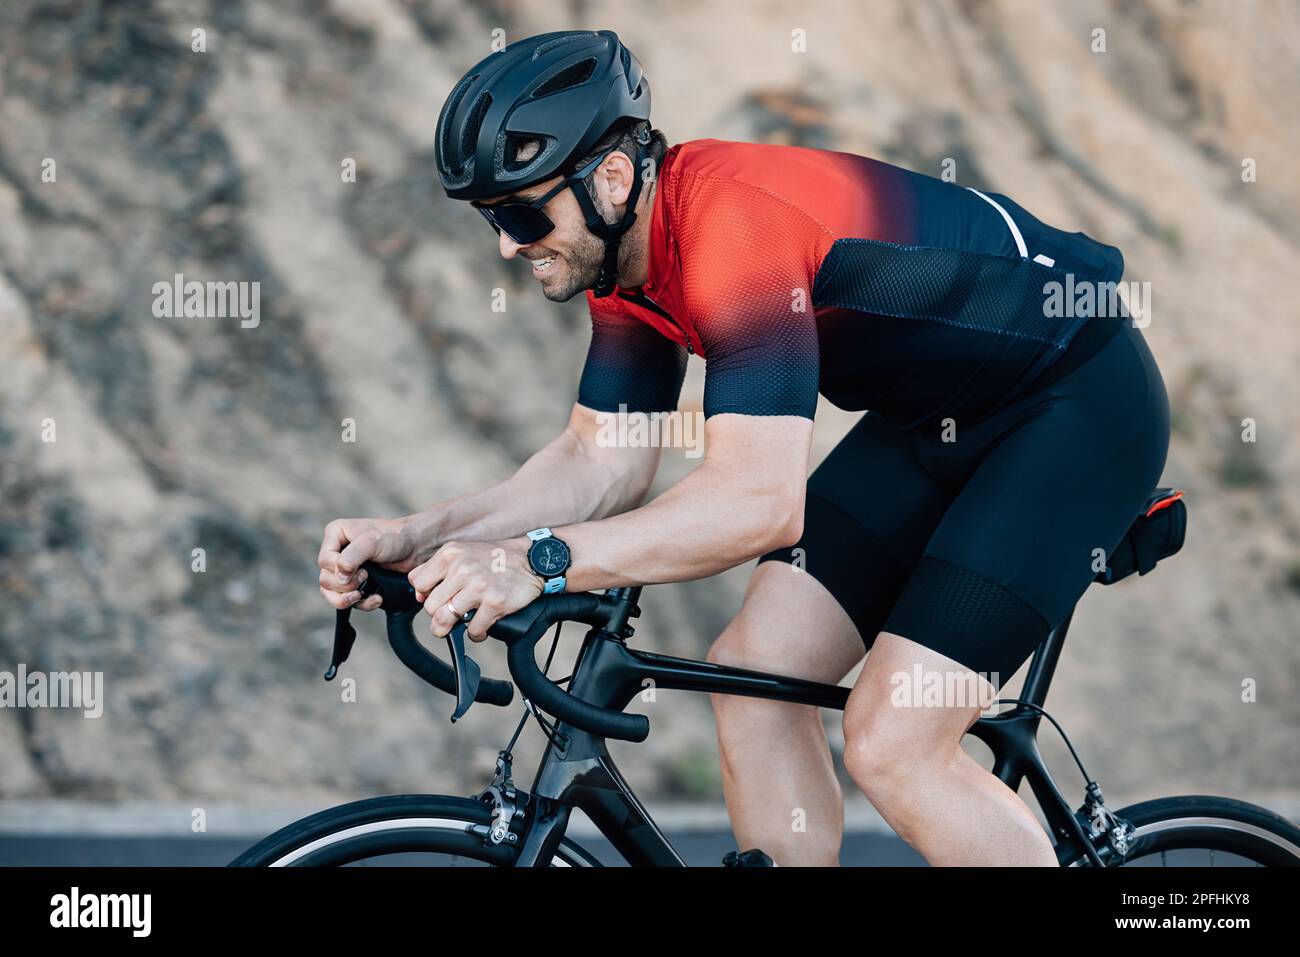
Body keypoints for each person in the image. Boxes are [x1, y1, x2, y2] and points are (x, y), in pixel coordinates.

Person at [317, 30, 1171, 866]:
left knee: (892, 740)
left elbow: (759, 503)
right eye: (489, 219)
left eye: (520, 211)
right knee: (750, 674)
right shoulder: (628, 266)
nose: (508, 243)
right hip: (933, 420)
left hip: (1076, 404)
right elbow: (598, 461)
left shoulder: (733, 231)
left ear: (611, 178)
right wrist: (420, 535)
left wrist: (533, 560)